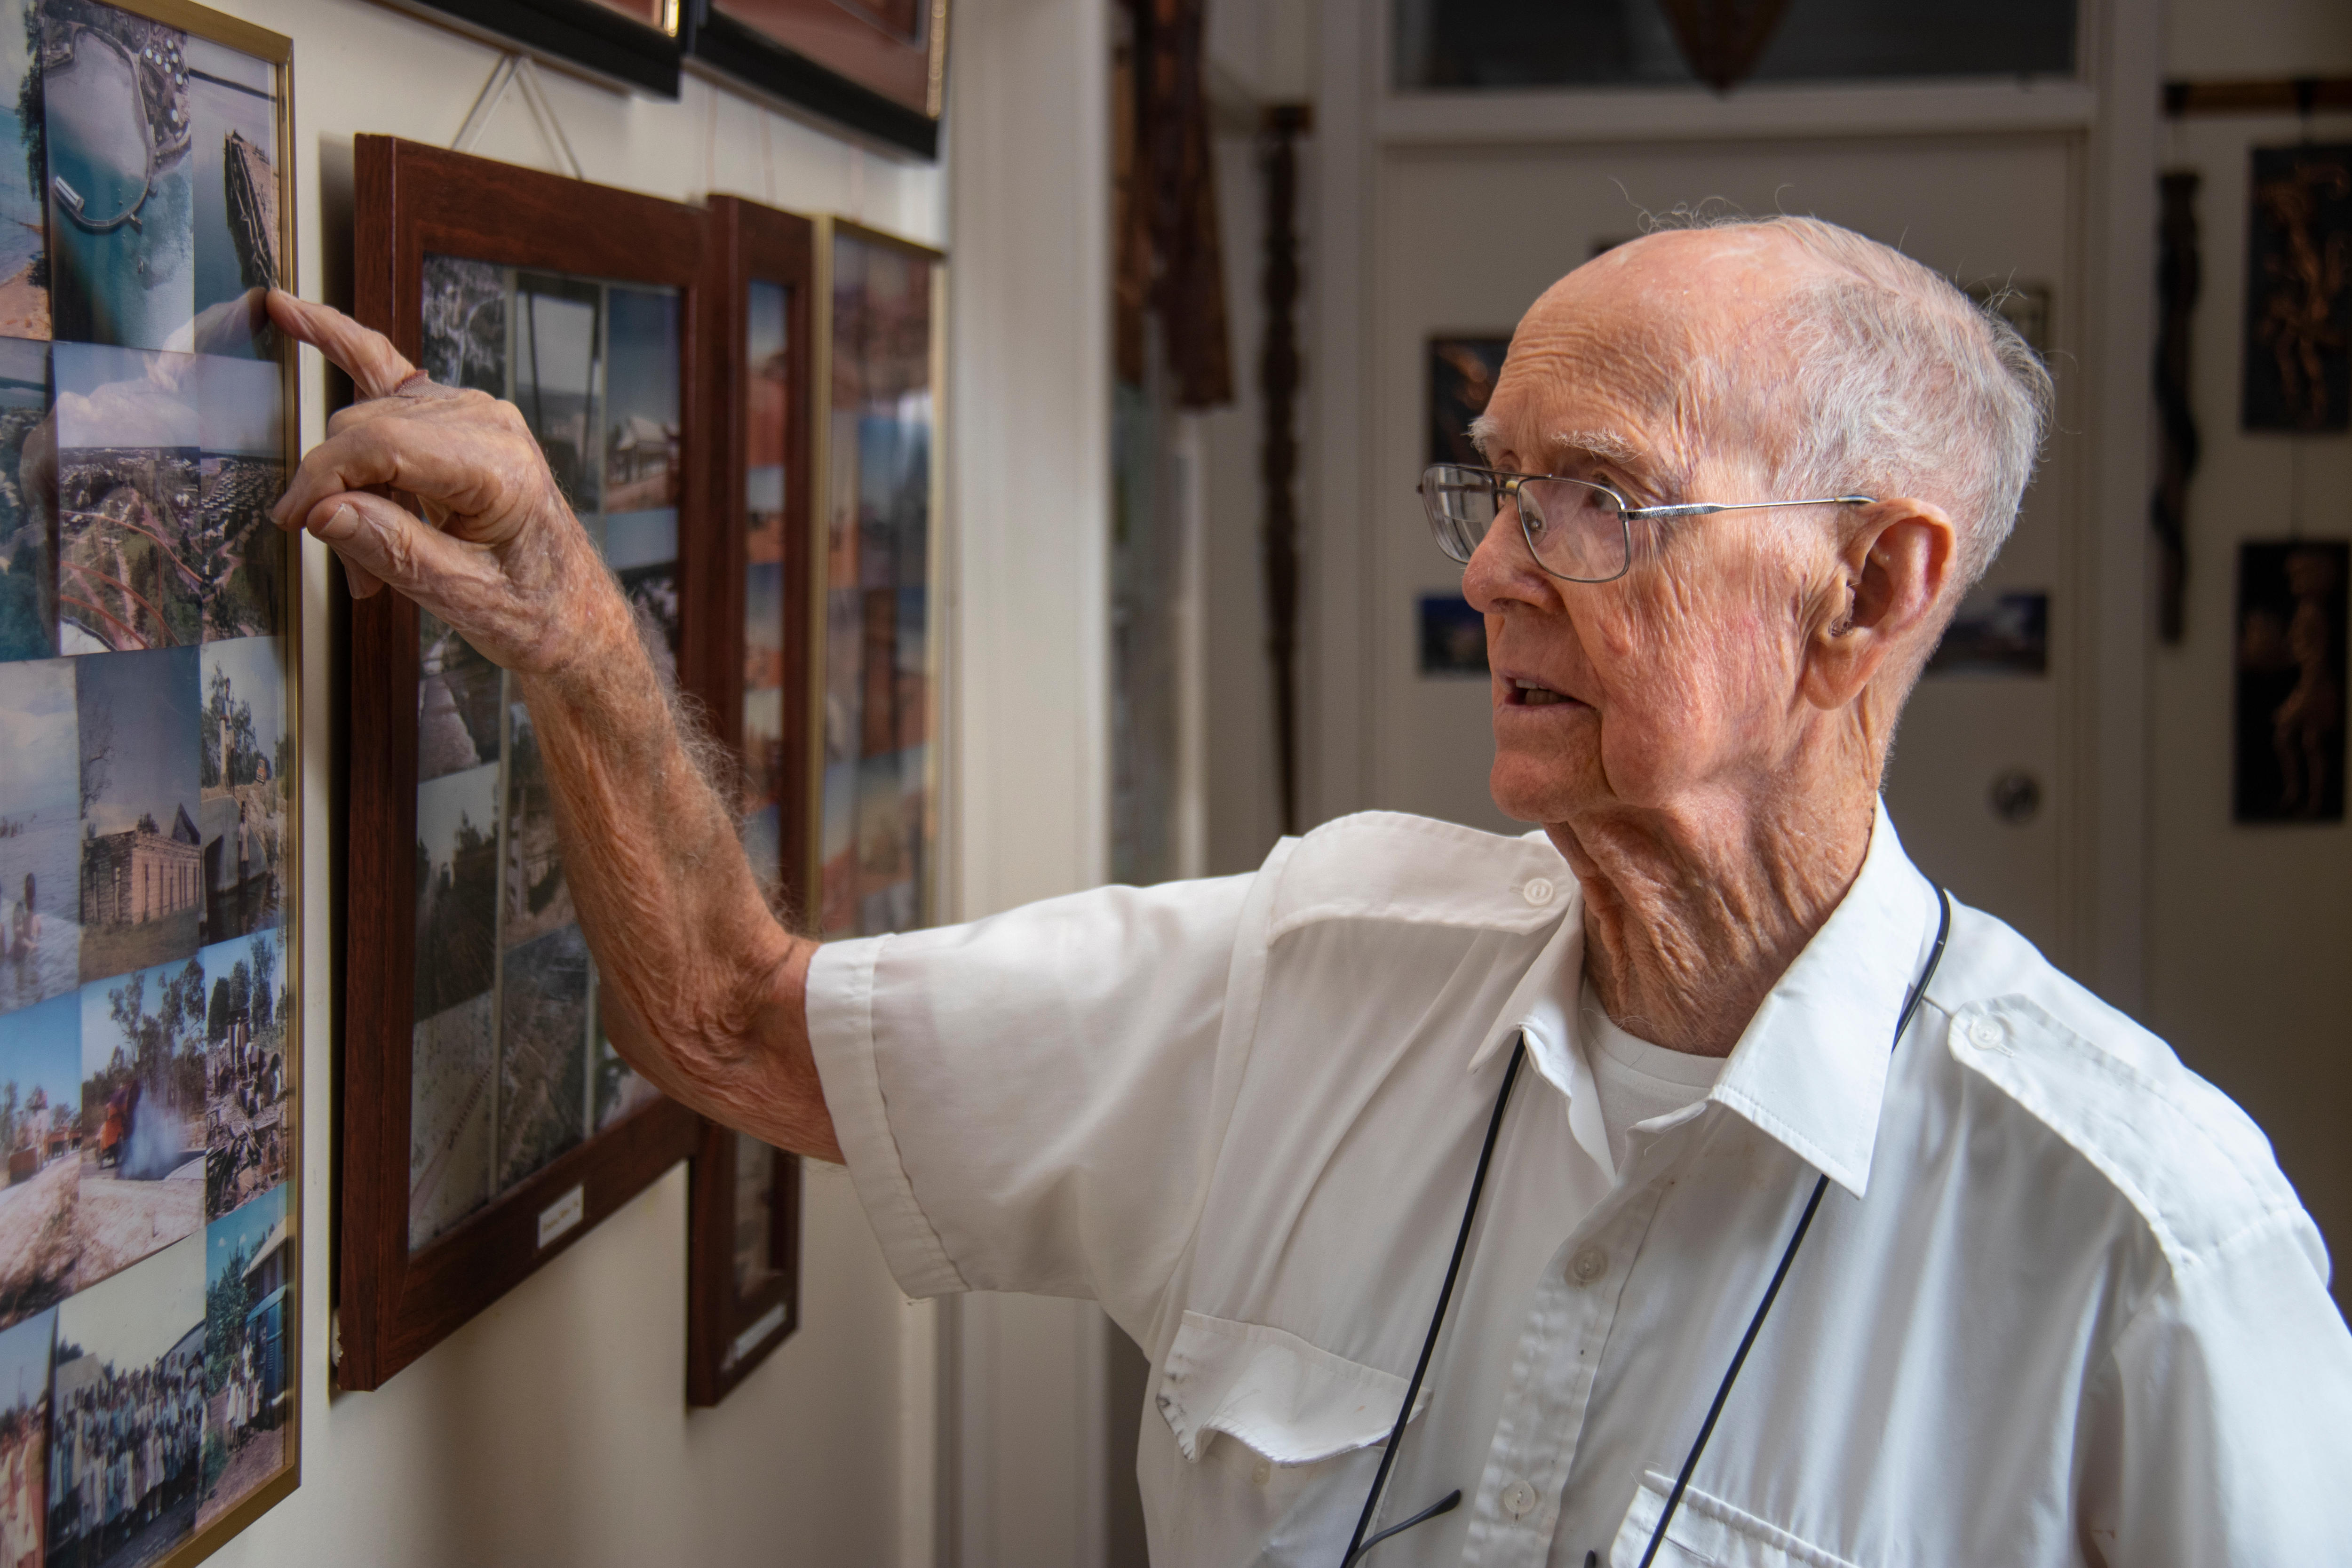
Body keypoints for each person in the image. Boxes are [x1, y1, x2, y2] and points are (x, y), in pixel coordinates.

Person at [262, 213, 2352, 1567]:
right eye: (1492, 483)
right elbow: (728, 1016)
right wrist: (564, 617)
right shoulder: (1307, 973)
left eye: (1595, 499)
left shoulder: (2146, 1254)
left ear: (1869, 589)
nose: (1488, 571)